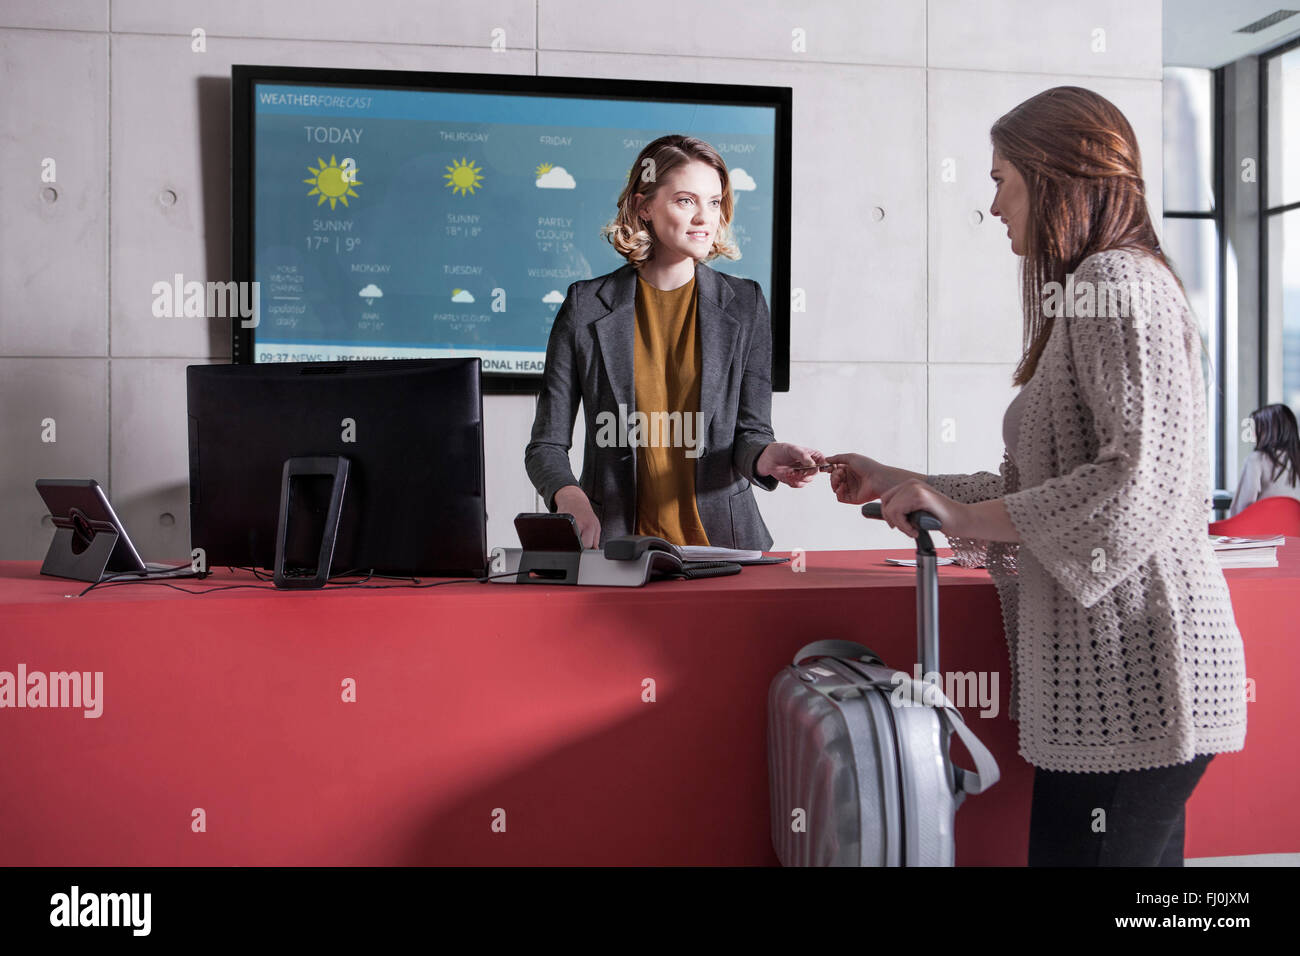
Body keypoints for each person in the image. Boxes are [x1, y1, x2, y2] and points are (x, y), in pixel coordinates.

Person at [826, 87, 1247, 866]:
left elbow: (1134, 485)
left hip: (1138, 682)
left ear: (1056, 175)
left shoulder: (1115, 284)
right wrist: (903, 481)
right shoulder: (1095, 287)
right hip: (1116, 694)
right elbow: (1047, 483)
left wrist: (957, 512)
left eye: (1000, 179)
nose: (992, 206)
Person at [525, 134, 824, 549]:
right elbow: (546, 446)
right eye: (686, 200)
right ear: (644, 206)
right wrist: (569, 496)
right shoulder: (584, 305)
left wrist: (767, 456)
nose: (705, 217)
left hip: (725, 547)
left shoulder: (746, 303)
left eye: (715, 202)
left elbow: (751, 433)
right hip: (615, 547)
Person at [1228, 404, 1300, 517]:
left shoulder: (1257, 459)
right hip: (1294, 532)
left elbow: (1241, 509)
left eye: (1255, 427)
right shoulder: (1295, 459)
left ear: (1268, 430)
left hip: (1263, 531)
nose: (1252, 434)